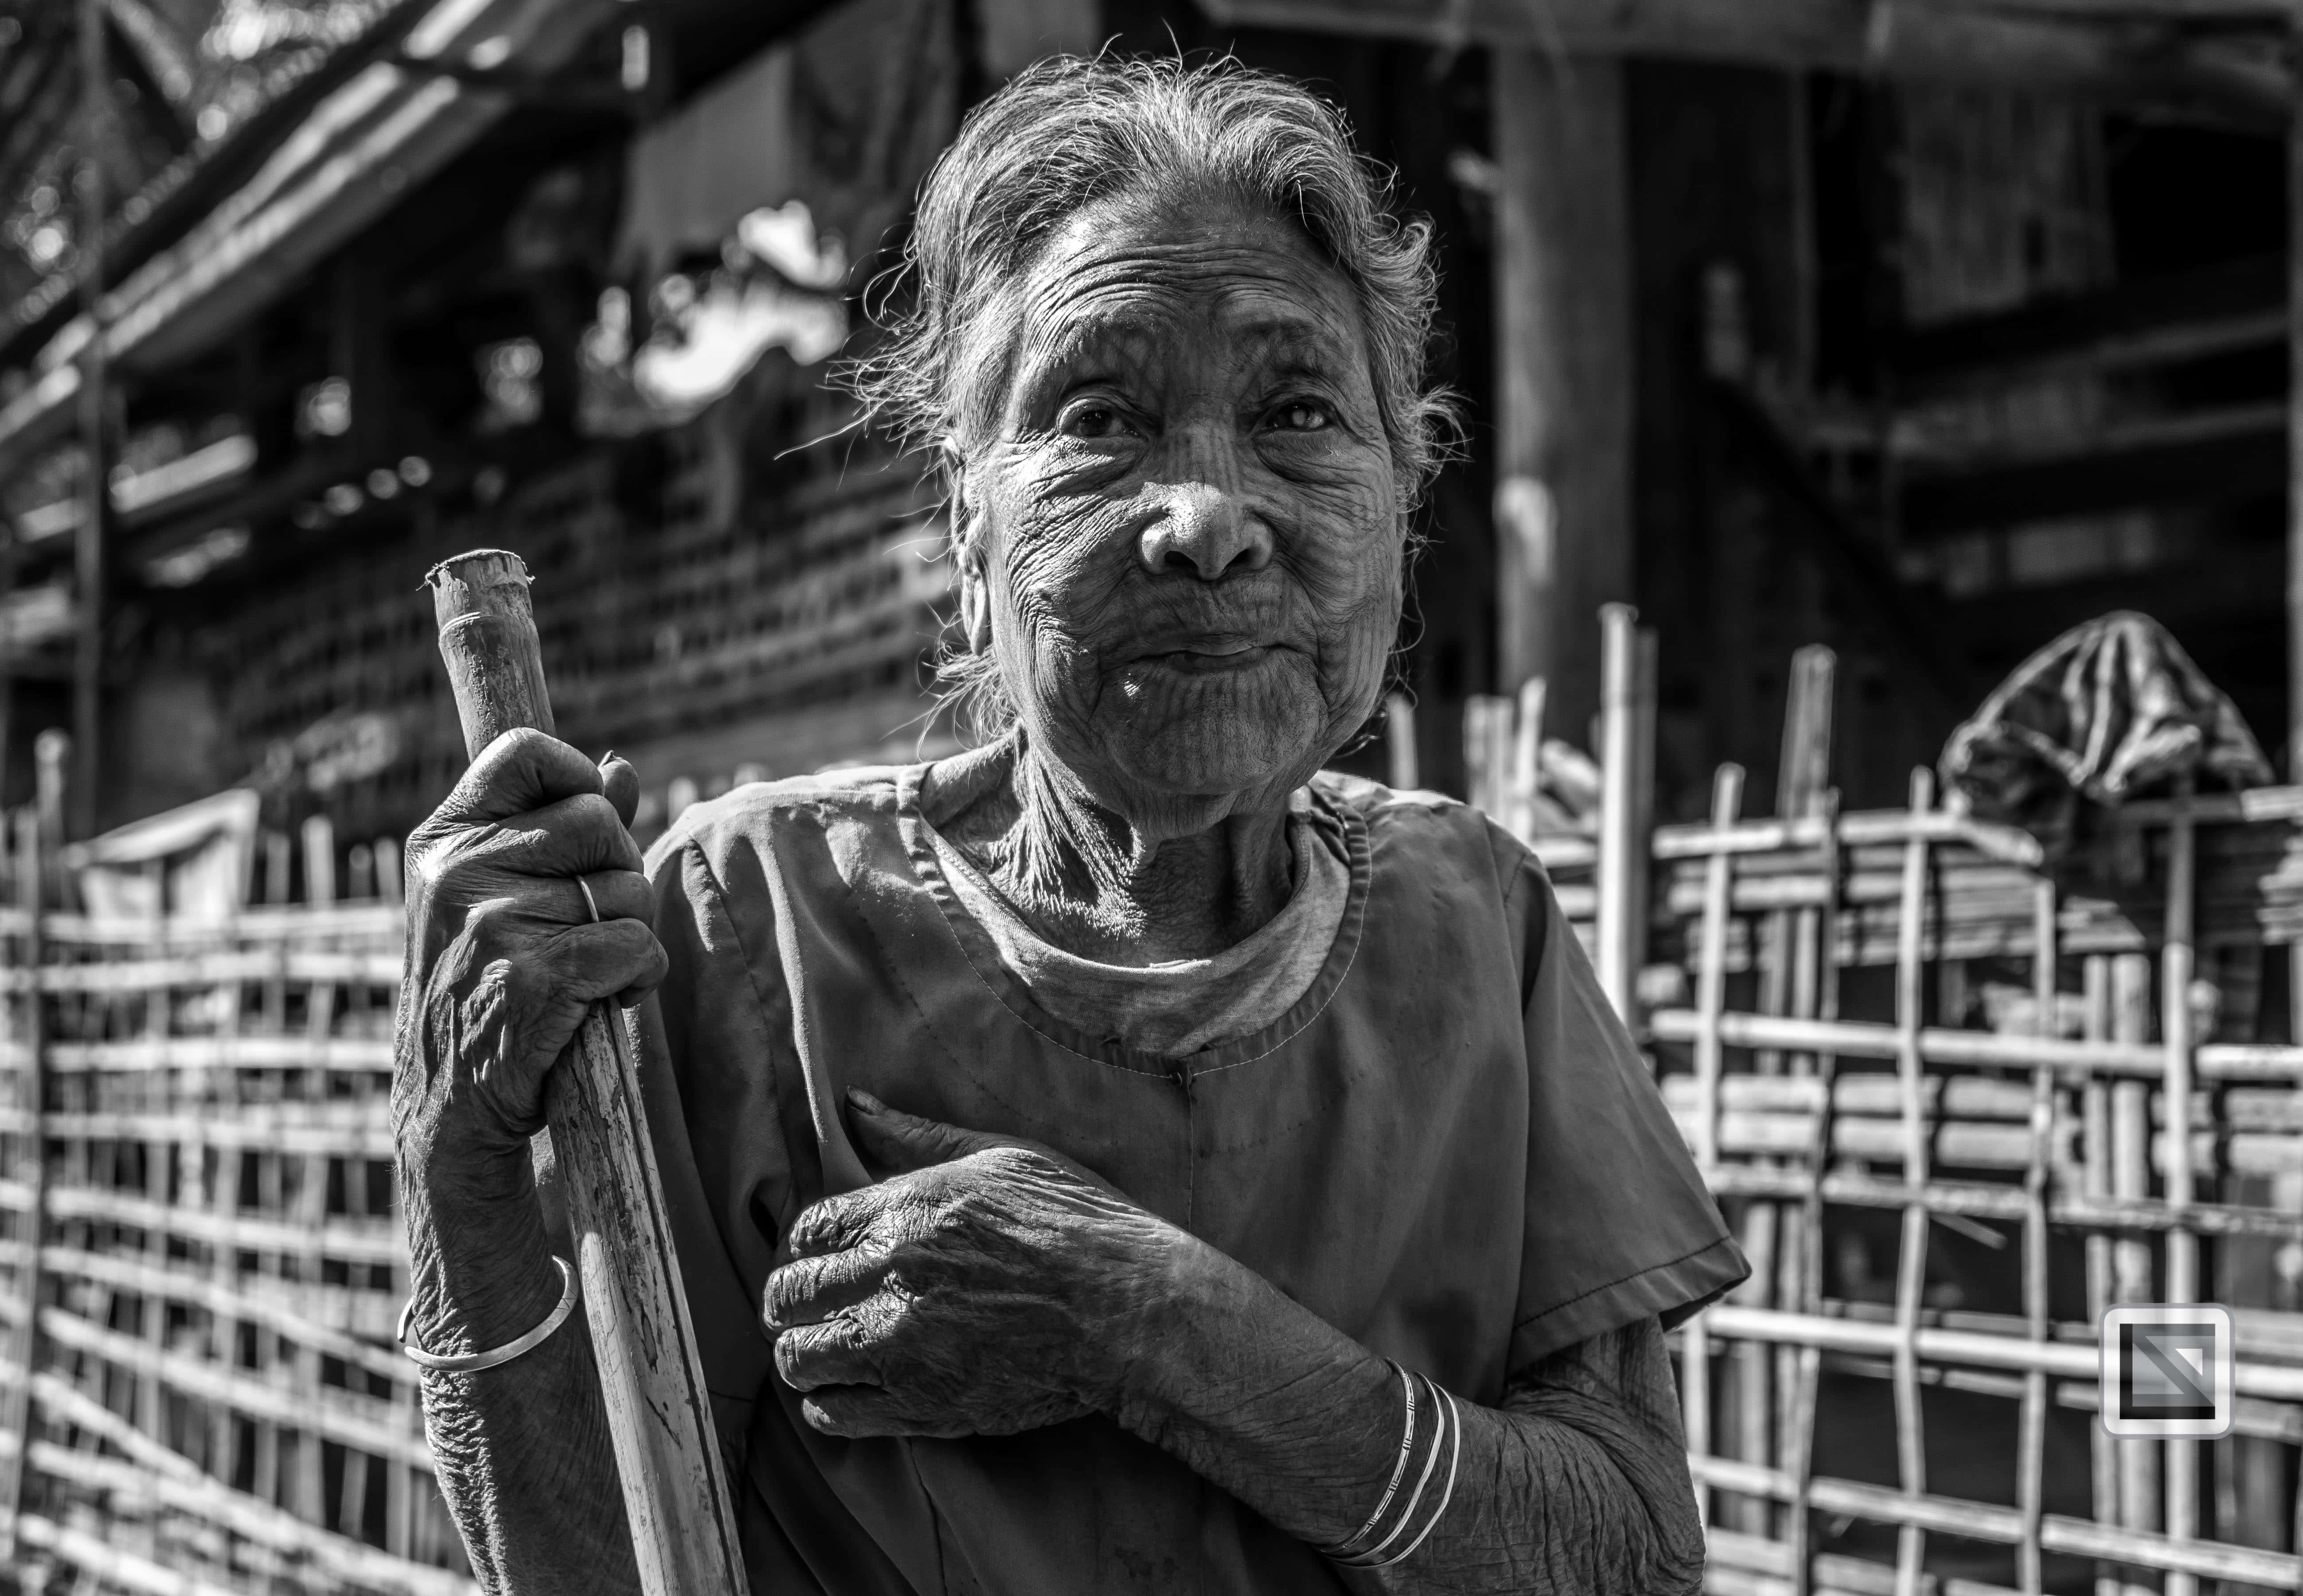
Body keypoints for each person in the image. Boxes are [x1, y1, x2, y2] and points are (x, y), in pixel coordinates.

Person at [395, 55, 1745, 1596]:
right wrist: (462, 1154)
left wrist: (1142, 1323)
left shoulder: (1474, 918)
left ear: (1401, 497)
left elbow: (1631, 1557)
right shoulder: (746, 924)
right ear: (968, 525)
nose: (1209, 516)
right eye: (1099, 416)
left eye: (1298, 408)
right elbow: (591, 1567)